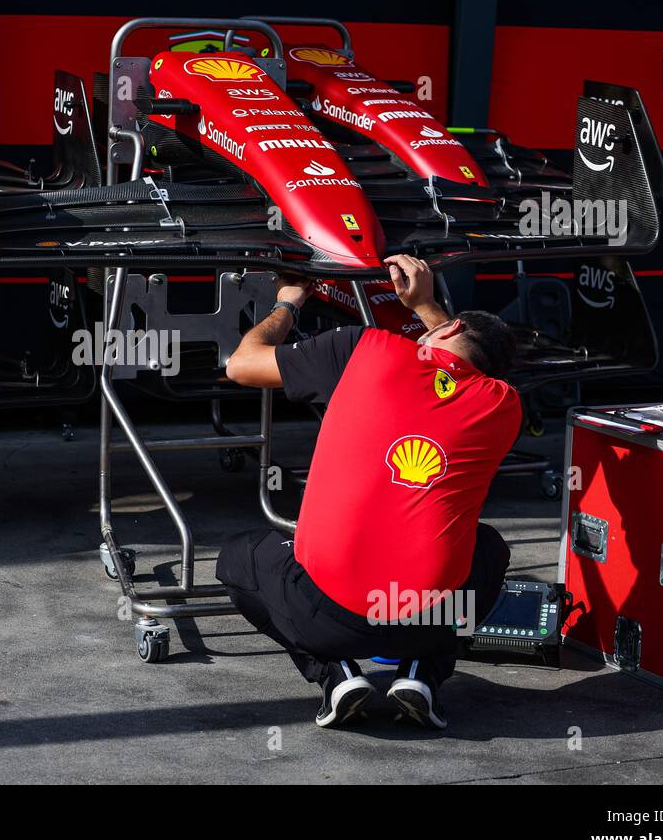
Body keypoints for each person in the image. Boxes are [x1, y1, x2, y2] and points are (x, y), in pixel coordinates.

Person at [219, 255, 521, 730]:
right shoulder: (502, 406)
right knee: (488, 548)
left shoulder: (365, 348)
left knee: (240, 556)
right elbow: (458, 366)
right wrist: (428, 310)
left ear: (449, 327)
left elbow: (240, 365)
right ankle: (423, 675)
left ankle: (334, 675)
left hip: (328, 615)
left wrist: (289, 305)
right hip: (429, 619)